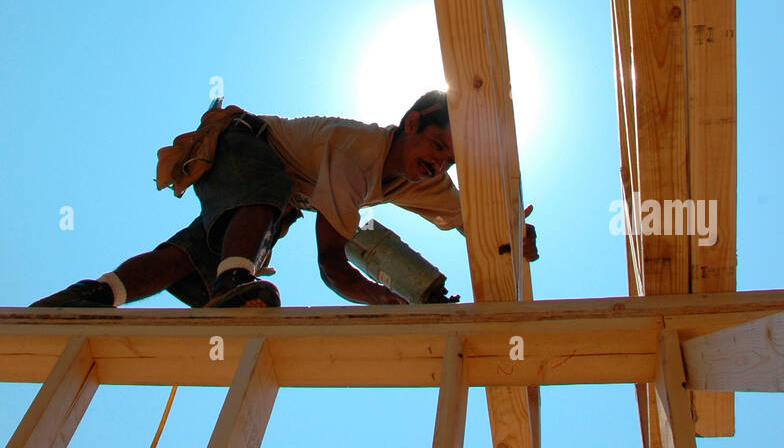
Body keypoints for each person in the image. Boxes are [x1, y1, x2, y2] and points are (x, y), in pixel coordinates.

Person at [30, 90, 538, 312]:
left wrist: (511, 236)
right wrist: (381, 298)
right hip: (243, 145)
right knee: (266, 203)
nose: (439, 165)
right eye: (437, 147)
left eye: (449, 161)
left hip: (267, 196)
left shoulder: (424, 181)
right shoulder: (358, 155)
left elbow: (477, 220)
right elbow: (331, 262)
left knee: (187, 259)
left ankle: (95, 296)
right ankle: (235, 280)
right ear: (411, 124)